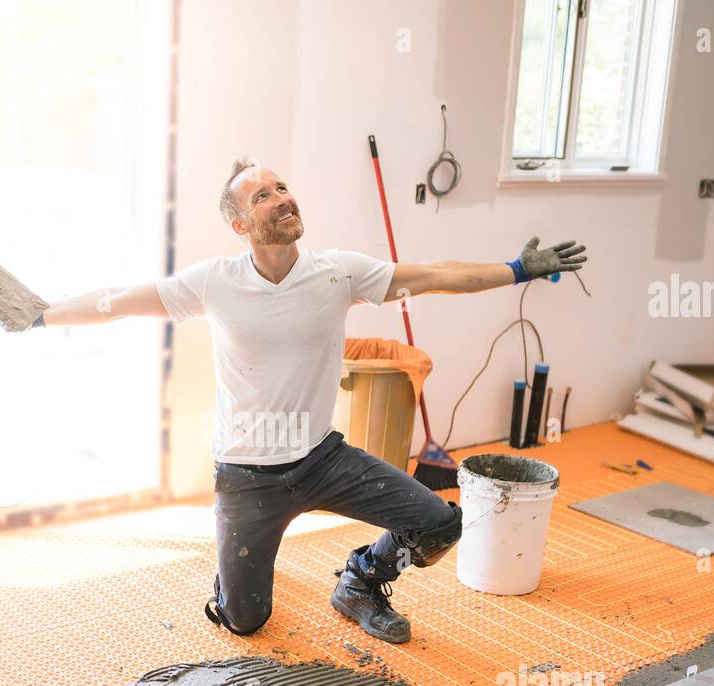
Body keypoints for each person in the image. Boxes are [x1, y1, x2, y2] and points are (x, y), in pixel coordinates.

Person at [31, 157, 585, 643]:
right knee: (246, 621)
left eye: (282, 187)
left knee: (439, 523)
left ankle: (359, 582)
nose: (282, 198)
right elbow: (118, 302)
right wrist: (44, 312)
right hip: (247, 474)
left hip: (323, 459)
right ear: (240, 224)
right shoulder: (214, 281)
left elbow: (438, 275)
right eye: (262, 195)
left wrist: (515, 270)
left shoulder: (338, 272)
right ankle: (233, 574)